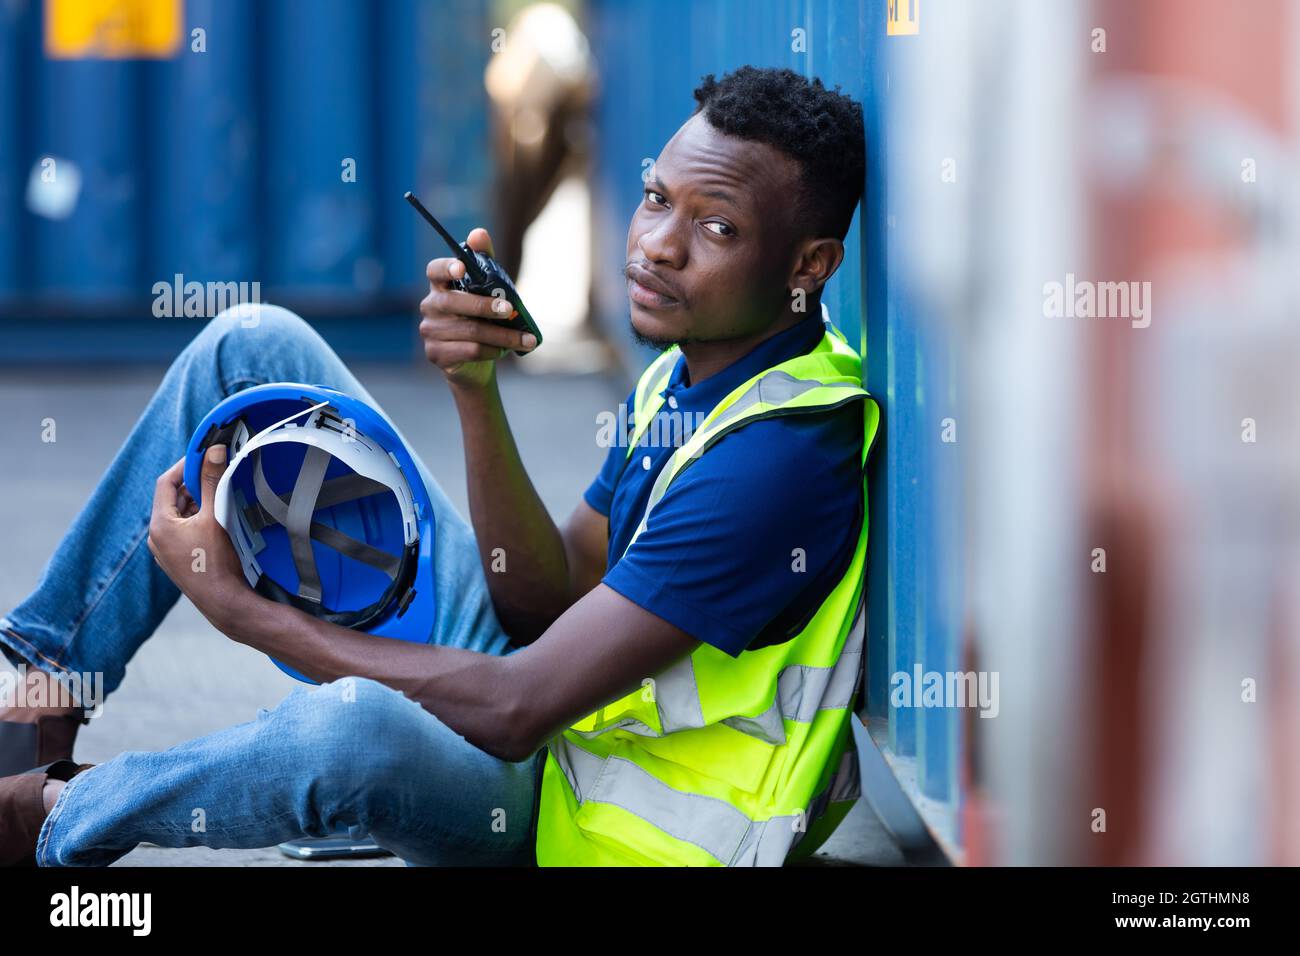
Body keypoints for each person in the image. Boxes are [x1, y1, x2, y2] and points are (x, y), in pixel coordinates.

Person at [0, 65, 872, 867]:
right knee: (255, 344)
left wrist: (239, 610)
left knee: (349, 735)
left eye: (715, 226)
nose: (658, 246)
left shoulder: (776, 461)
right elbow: (543, 595)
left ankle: (49, 815)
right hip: (552, 714)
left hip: (573, 824)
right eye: (655, 199)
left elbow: (515, 707)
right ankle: (38, 698)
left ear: (810, 265)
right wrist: (474, 389)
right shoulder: (699, 370)